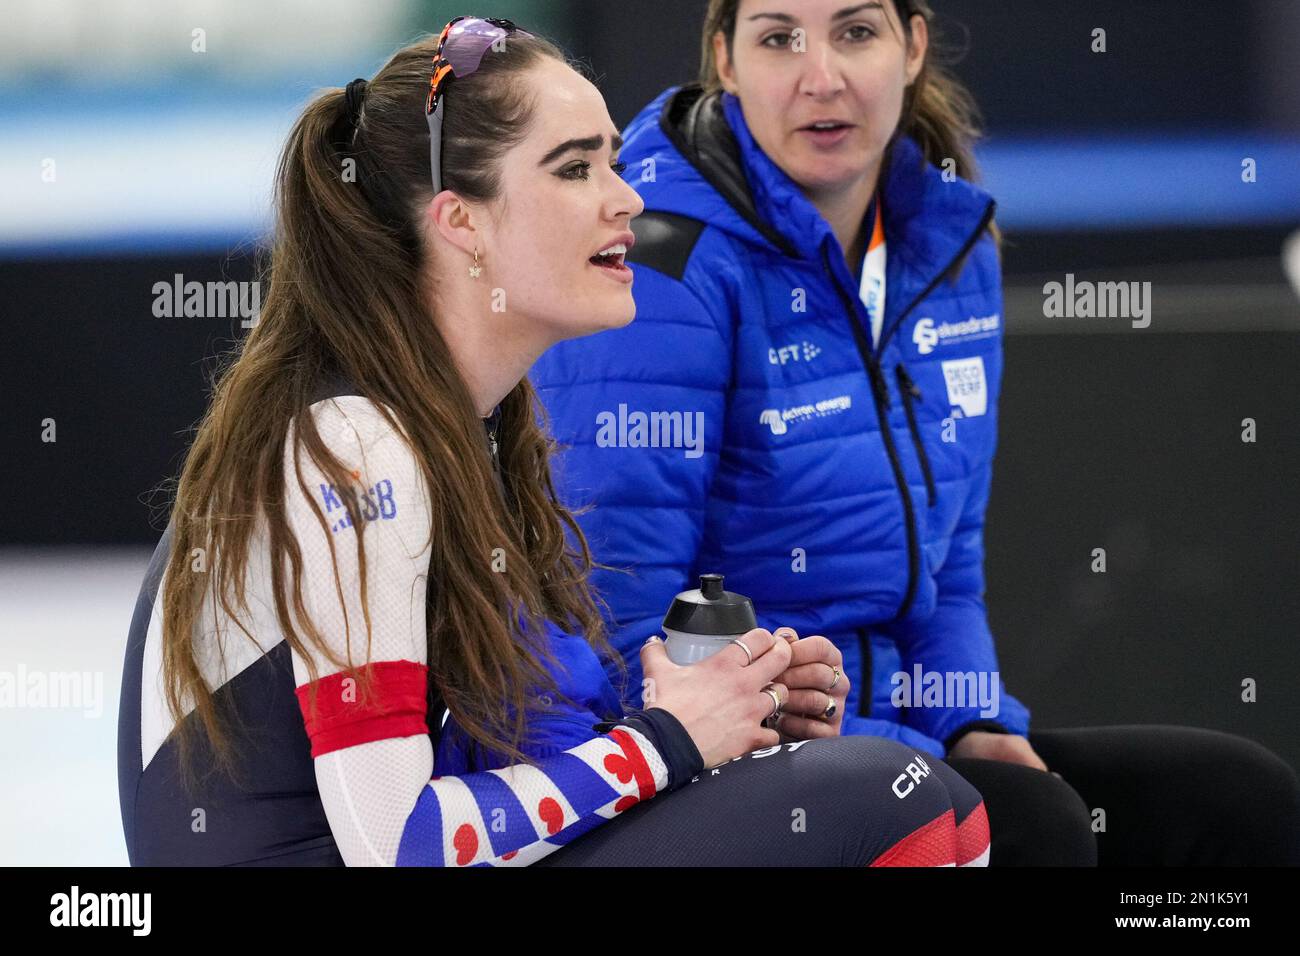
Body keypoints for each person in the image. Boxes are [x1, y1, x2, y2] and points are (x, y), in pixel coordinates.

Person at [117, 17, 993, 867]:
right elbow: (397, 843)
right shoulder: (357, 446)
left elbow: (509, 763)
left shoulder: (470, 426)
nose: (628, 199)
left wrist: (712, 706)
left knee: (925, 796)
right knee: (895, 796)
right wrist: (669, 738)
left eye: (612, 158)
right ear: (461, 222)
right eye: (576, 169)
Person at [530, 0, 1300, 865]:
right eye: (779, 37)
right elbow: (611, 620)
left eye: (856, 32)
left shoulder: (950, 245)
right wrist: (835, 735)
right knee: (1038, 832)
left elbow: (951, 571)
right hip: (732, 754)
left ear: (913, 47)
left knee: (1233, 802)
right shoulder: (657, 266)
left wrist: (973, 722)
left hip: (902, 728)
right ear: (727, 61)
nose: (823, 76)